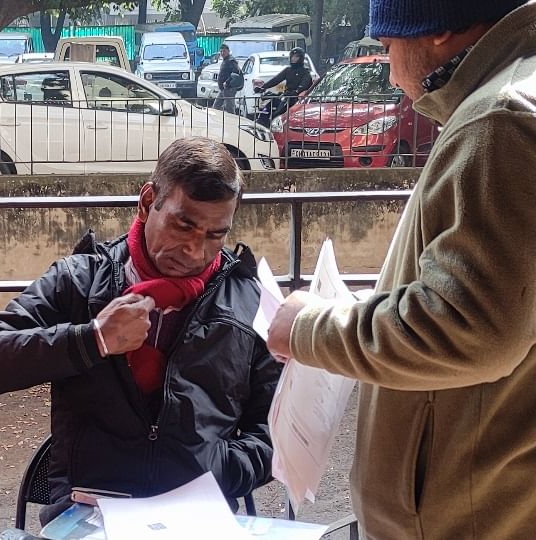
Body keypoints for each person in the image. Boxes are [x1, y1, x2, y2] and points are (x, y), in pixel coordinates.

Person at [266, 1, 535, 538]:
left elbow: (471, 327)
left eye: (387, 46)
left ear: (435, 29)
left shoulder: (499, 120)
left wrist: (309, 328)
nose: (389, 72)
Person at [0, 136, 281, 524]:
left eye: (215, 235)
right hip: (87, 513)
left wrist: (220, 468)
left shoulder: (249, 301)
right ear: (147, 202)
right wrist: (91, 339)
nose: (196, 251)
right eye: (183, 226)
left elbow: (276, 431)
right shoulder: (80, 281)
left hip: (201, 516)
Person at [253, 47, 313, 123]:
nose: (293, 59)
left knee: (278, 112)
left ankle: (276, 122)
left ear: (301, 58)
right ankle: (264, 122)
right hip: (286, 95)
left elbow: (304, 85)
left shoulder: (305, 72)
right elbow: (275, 80)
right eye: (292, 56)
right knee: (269, 106)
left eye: (296, 57)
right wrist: (263, 87)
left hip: (296, 99)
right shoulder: (288, 70)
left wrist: (296, 91)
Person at [215, 43, 242, 114]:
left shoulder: (231, 60)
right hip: (223, 89)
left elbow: (235, 73)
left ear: (228, 51)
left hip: (229, 88)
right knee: (216, 106)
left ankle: (232, 120)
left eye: (224, 51)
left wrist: (227, 81)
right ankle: (215, 120)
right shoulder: (225, 60)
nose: (222, 53)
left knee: (230, 108)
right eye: (221, 51)